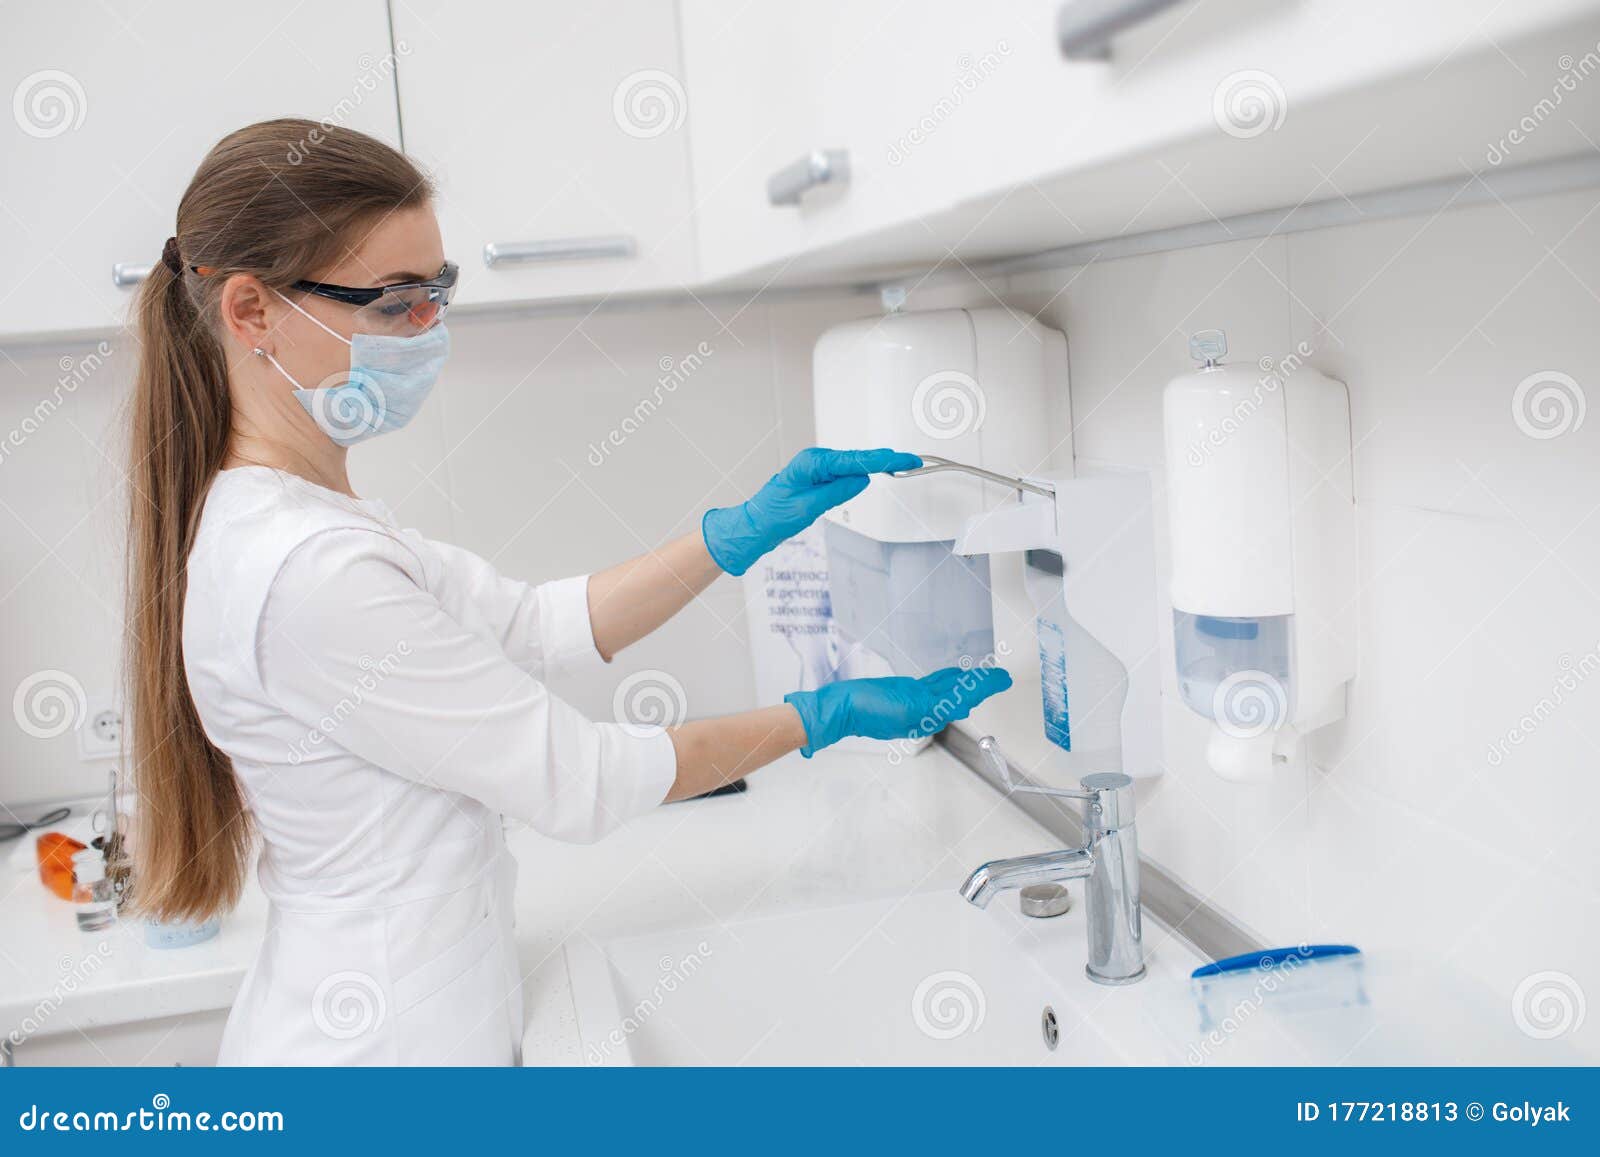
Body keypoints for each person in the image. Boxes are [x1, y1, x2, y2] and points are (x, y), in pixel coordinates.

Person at [124, 119, 1013, 1065]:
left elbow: (533, 624)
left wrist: (740, 531)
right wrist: (818, 717)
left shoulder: (299, 518)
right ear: (252, 312)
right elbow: (579, 779)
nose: (430, 329)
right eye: (394, 302)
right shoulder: (309, 569)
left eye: (439, 293)